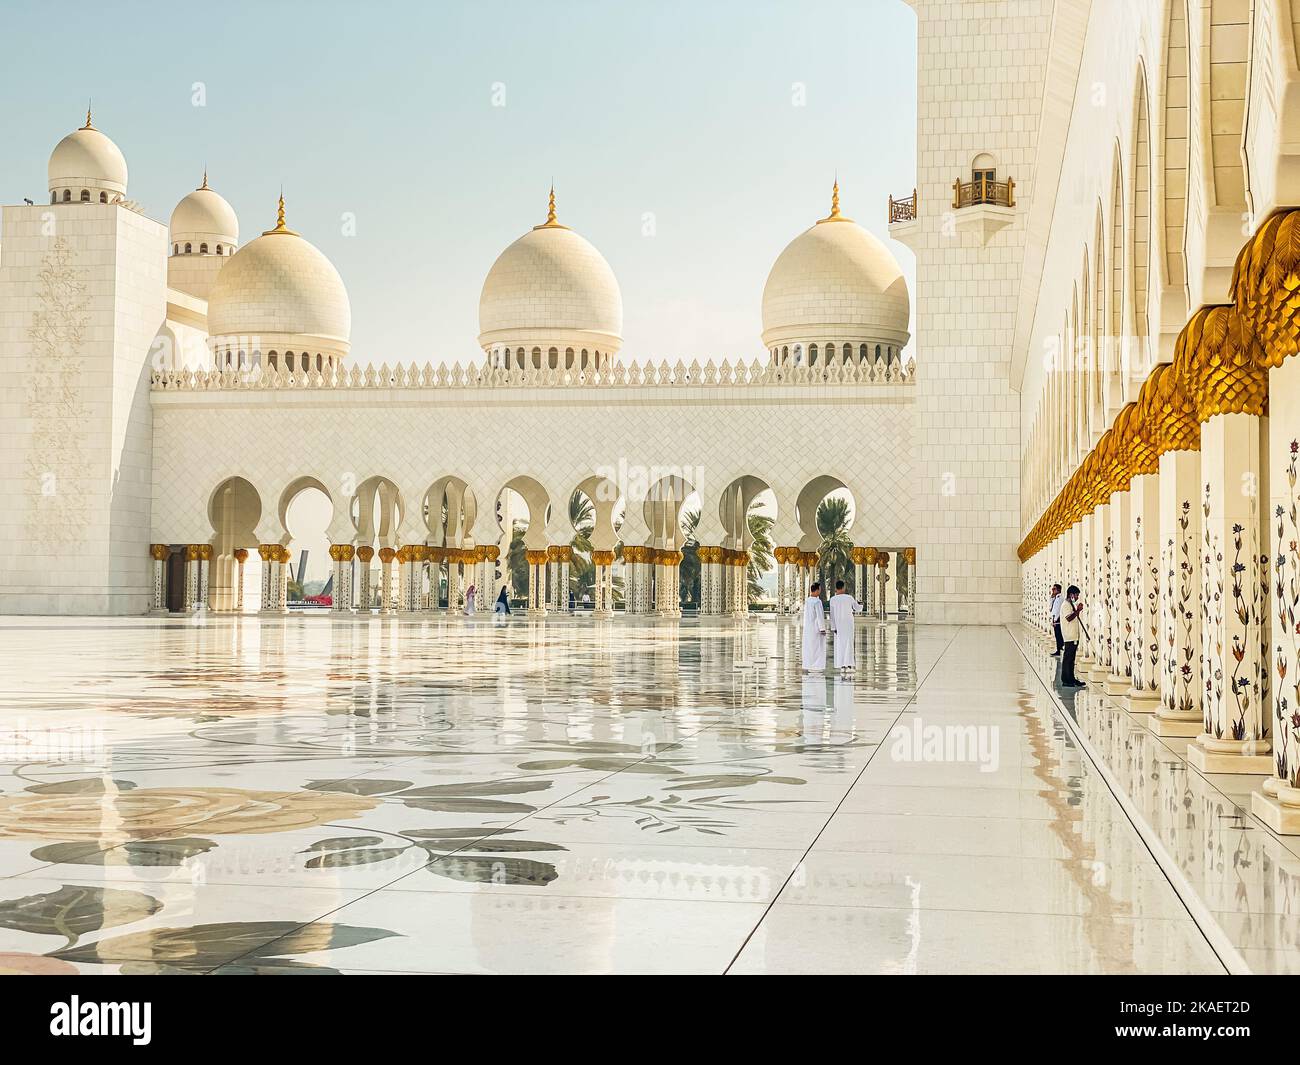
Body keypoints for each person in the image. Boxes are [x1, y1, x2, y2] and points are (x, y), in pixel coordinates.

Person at [828, 579, 862, 676]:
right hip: (848, 624)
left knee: (840, 645)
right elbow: (857, 608)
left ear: (836, 588)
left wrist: (833, 627)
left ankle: (842, 666)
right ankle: (849, 665)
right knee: (849, 644)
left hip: (838, 625)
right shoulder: (849, 598)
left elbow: (832, 614)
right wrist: (861, 604)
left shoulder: (833, 599)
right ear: (843, 587)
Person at [1059, 585, 1085, 687]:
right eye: (1076, 595)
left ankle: (1071, 678)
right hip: (1069, 636)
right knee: (1068, 659)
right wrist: (1078, 610)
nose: (1077, 597)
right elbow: (1069, 618)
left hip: (1073, 636)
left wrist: (1077, 610)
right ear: (1071, 595)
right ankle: (1066, 680)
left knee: (1071, 659)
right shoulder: (1066, 605)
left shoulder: (1070, 604)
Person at [801, 581, 827, 674]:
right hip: (816, 628)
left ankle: (808, 664)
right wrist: (822, 628)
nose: (820, 591)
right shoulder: (817, 601)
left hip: (808, 628)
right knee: (817, 647)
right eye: (819, 589)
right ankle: (816, 666)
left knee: (809, 647)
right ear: (816, 590)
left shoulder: (807, 601)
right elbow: (819, 616)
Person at [1049, 583, 1063, 656]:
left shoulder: (1060, 598)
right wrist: (1051, 598)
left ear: (1058, 590)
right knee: (1057, 635)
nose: (1053, 590)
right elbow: (1051, 608)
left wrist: (1056, 620)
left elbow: (1058, 610)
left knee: (1059, 635)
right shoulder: (1055, 598)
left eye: (1054, 589)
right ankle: (1058, 649)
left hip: (1058, 620)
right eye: (1052, 589)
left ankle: (1060, 650)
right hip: (1055, 619)